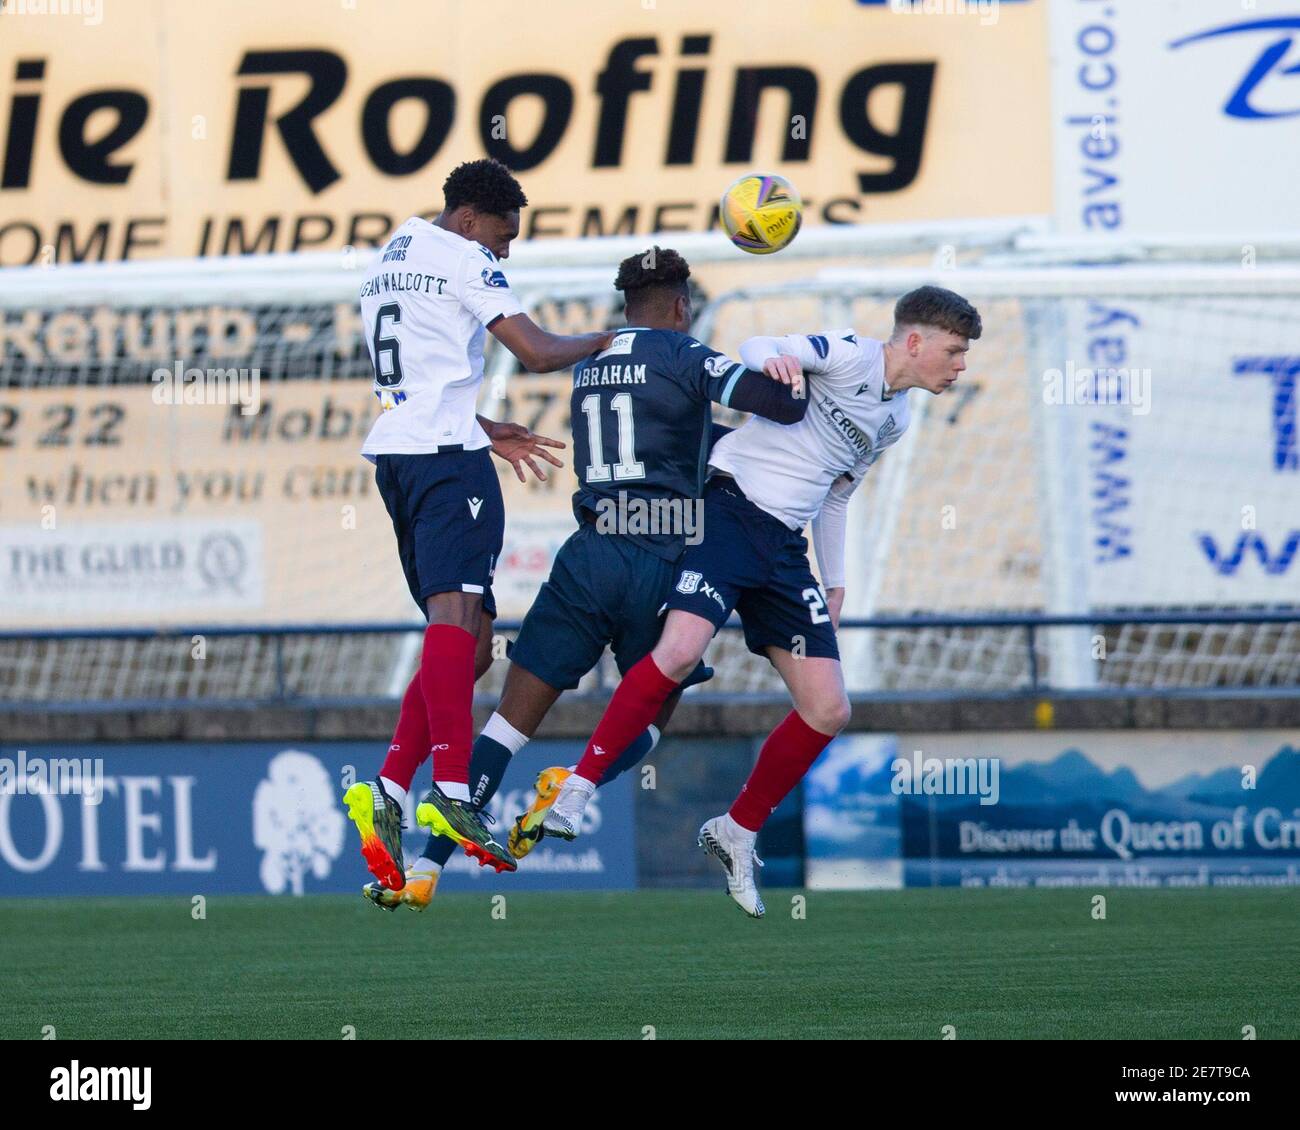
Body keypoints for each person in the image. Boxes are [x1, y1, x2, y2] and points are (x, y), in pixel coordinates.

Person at [364, 246, 808, 910]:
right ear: (682, 307)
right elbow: (778, 405)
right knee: (658, 695)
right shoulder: (682, 354)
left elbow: (655, 428)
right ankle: (575, 784)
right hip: (660, 554)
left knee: (509, 722)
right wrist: (795, 362)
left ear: (622, 305)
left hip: (586, 555)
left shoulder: (591, 362)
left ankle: (426, 869)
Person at [539, 285, 983, 917]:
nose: (961, 364)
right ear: (915, 341)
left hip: (781, 551)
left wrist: (835, 582)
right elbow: (759, 347)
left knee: (829, 707)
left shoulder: (896, 418)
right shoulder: (851, 355)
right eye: (955, 350)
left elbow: (836, 497)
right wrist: (774, 357)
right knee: (679, 651)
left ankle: (736, 829)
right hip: (727, 512)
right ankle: (578, 789)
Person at [343, 158, 616, 886]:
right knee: (455, 614)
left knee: (475, 647)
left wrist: (484, 424)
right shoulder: (464, 258)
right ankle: (454, 791)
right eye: (502, 236)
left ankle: (389, 790)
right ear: (469, 221)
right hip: (445, 462)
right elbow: (534, 353)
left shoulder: (392, 252)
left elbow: (421, 373)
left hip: (404, 453)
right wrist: (607, 340)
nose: (504, 252)